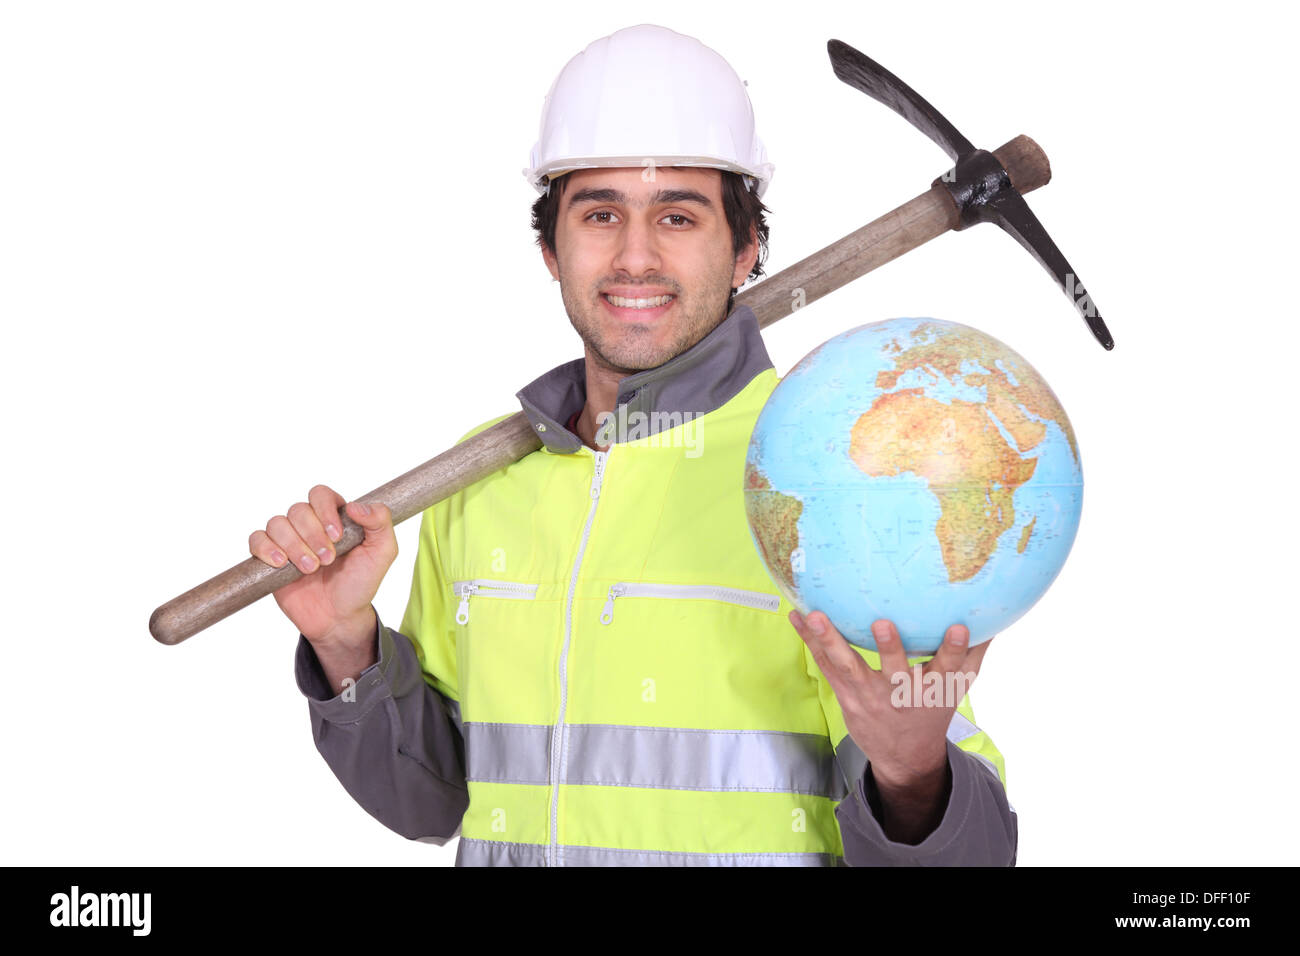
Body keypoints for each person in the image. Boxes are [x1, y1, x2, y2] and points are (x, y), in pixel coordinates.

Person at [250, 24, 1017, 866]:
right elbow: (432, 800)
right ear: (551, 248)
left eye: (678, 216)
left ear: (747, 248)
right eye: (600, 213)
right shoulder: (477, 482)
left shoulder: (831, 475)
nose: (636, 256)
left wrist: (913, 775)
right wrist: (346, 645)